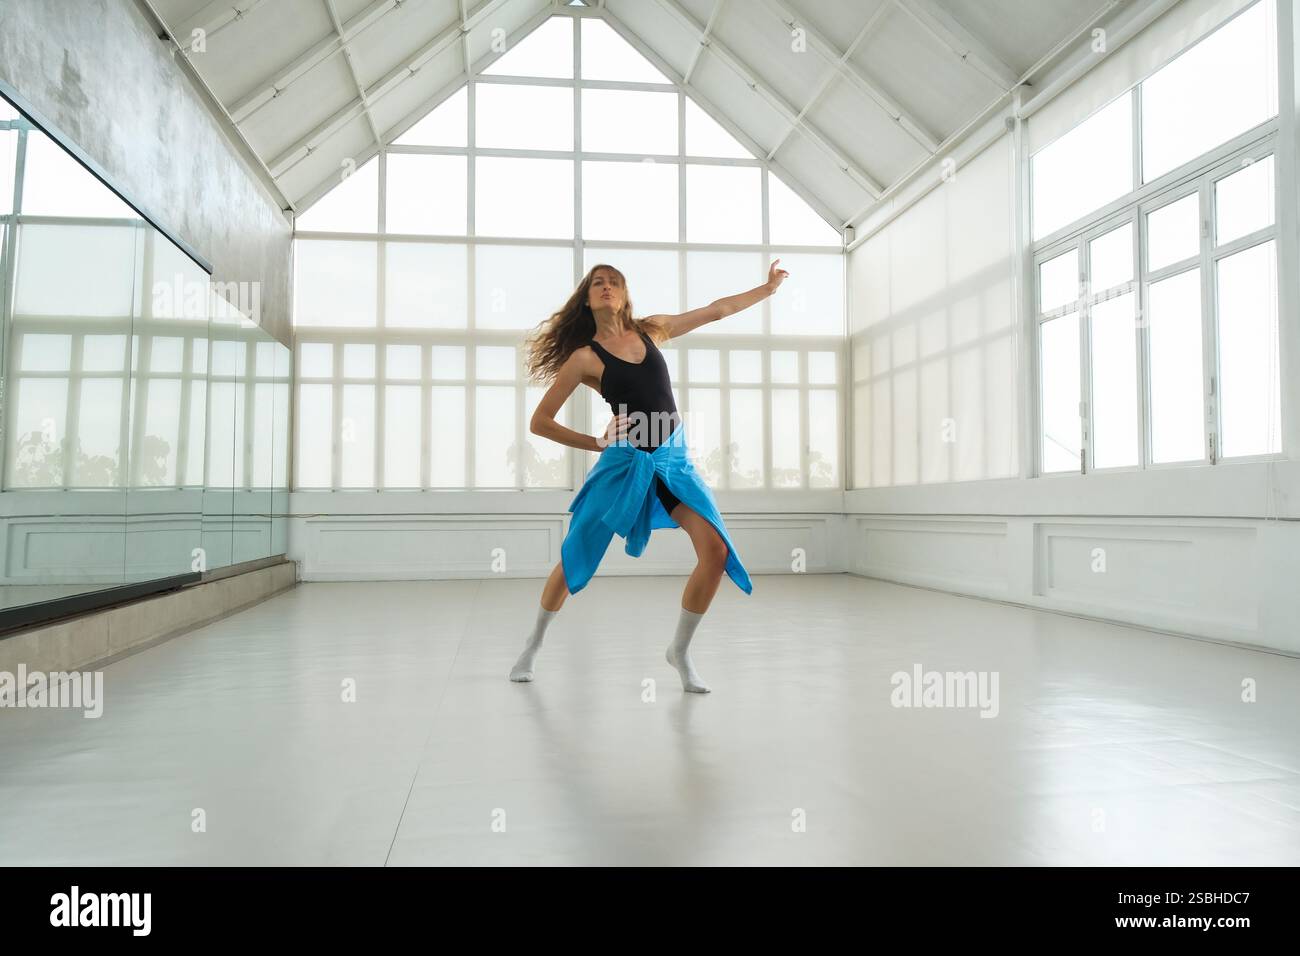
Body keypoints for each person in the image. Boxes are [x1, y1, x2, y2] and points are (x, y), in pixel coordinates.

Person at [509, 259, 789, 692]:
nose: (606, 287)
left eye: (614, 282)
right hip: (624, 462)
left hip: (672, 459)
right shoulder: (584, 358)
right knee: (574, 558)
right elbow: (540, 422)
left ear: (624, 294)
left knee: (714, 551)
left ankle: (679, 651)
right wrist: (595, 443)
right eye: (598, 283)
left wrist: (766, 291)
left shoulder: (652, 329)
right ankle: (534, 642)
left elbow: (717, 309)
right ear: (587, 297)